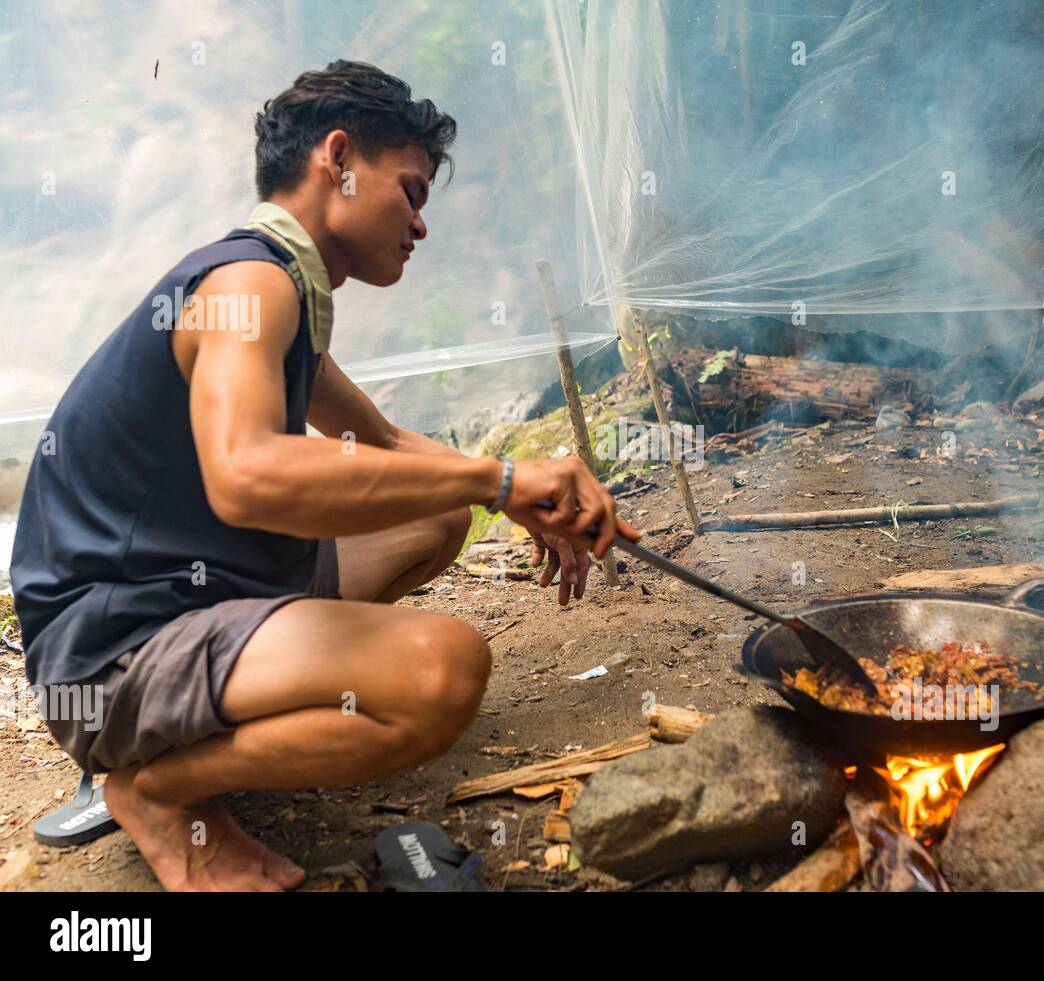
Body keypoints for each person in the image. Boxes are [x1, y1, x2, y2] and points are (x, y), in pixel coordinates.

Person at [11, 60, 638, 891]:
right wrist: (497, 478)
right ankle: (155, 787)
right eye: (410, 192)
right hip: (112, 656)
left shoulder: (283, 289)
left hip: (186, 600)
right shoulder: (250, 284)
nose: (420, 225)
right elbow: (246, 476)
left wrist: (522, 492)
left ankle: (227, 721)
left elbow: (377, 441)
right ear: (337, 158)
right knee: (441, 670)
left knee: (433, 519)